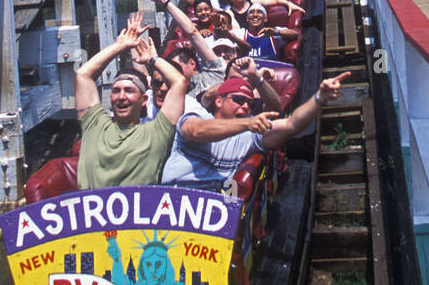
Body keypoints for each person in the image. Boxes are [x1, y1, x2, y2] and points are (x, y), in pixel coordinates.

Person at [162, 70, 351, 190]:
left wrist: (319, 98)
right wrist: (247, 124)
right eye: (238, 100)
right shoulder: (197, 115)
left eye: (249, 103)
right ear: (219, 101)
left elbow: (292, 124)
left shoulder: (249, 136)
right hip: (171, 198)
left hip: (209, 211)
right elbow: (196, 131)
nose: (245, 107)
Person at [74, 13, 187, 189]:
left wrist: (153, 60)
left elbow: (179, 83)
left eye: (129, 91)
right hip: (91, 214)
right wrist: (119, 46)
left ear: (143, 100)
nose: (121, 96)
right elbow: (83, 75)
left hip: (137, 215)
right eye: (116, 91)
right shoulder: (94, 124)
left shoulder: (157, 132)